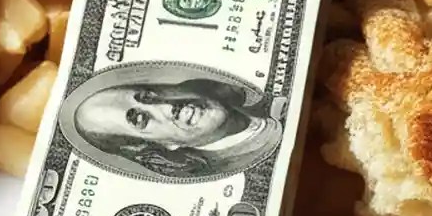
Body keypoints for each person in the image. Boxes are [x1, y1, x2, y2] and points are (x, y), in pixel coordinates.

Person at [60, 63, 284, 181]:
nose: (167, 106)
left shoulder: (254, 94)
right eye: (141, 119)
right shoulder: (238, 168)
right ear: (162, 145)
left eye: (147, 96)